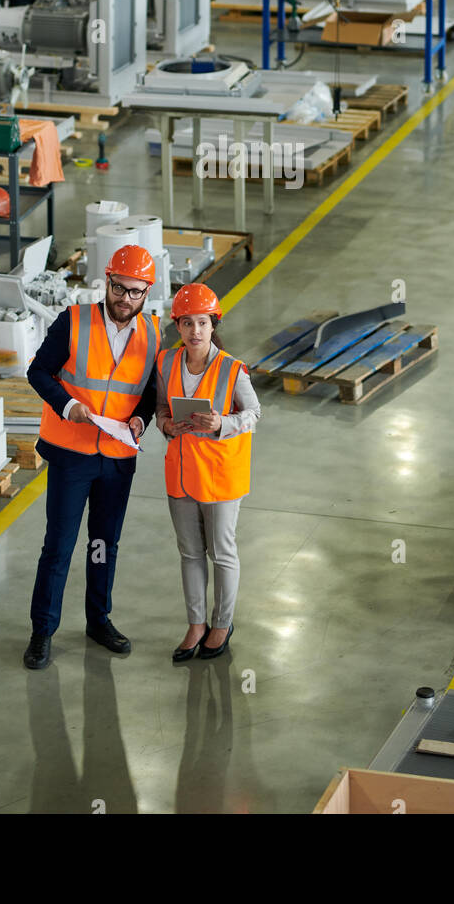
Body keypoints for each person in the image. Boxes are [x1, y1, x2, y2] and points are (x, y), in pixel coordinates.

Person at [23, 244, 161, 671]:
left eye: (135, 292)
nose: (125, 299)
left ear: (147, 293)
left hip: (118, 459)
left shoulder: (154, 334)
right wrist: (68, 406)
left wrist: (140, 421)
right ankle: (42, 631)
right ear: (107, 281)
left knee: (103, 543)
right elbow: (38, 372)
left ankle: (98, 620)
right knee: (59, 546)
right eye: (119, 288)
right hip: (71, 455)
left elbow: (151, 394)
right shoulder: (74, 322)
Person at [156, 284, 260, 663]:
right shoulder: (166, 363)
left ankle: (222, 623)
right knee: (190, 553)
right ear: (178, 327)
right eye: (187, 323)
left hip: (219, 476)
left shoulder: (233, 369)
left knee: (221, 552)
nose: (195, 331)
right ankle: (196, 623)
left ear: (213, 325)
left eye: (202, 323)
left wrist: (221, 424)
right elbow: (160, 411)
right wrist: (166, 426)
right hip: (181, 473)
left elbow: (253, 414)